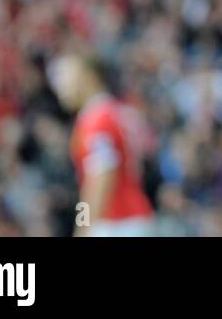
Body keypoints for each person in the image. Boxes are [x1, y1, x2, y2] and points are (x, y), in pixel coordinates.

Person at [48, 53, 156, 237]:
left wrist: (83, 228)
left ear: (88, 76)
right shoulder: (116, 111)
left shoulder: (96, 120)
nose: (59, 86)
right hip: (134, 217)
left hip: (118, 224)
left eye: (65, 76)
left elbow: (101, 175)